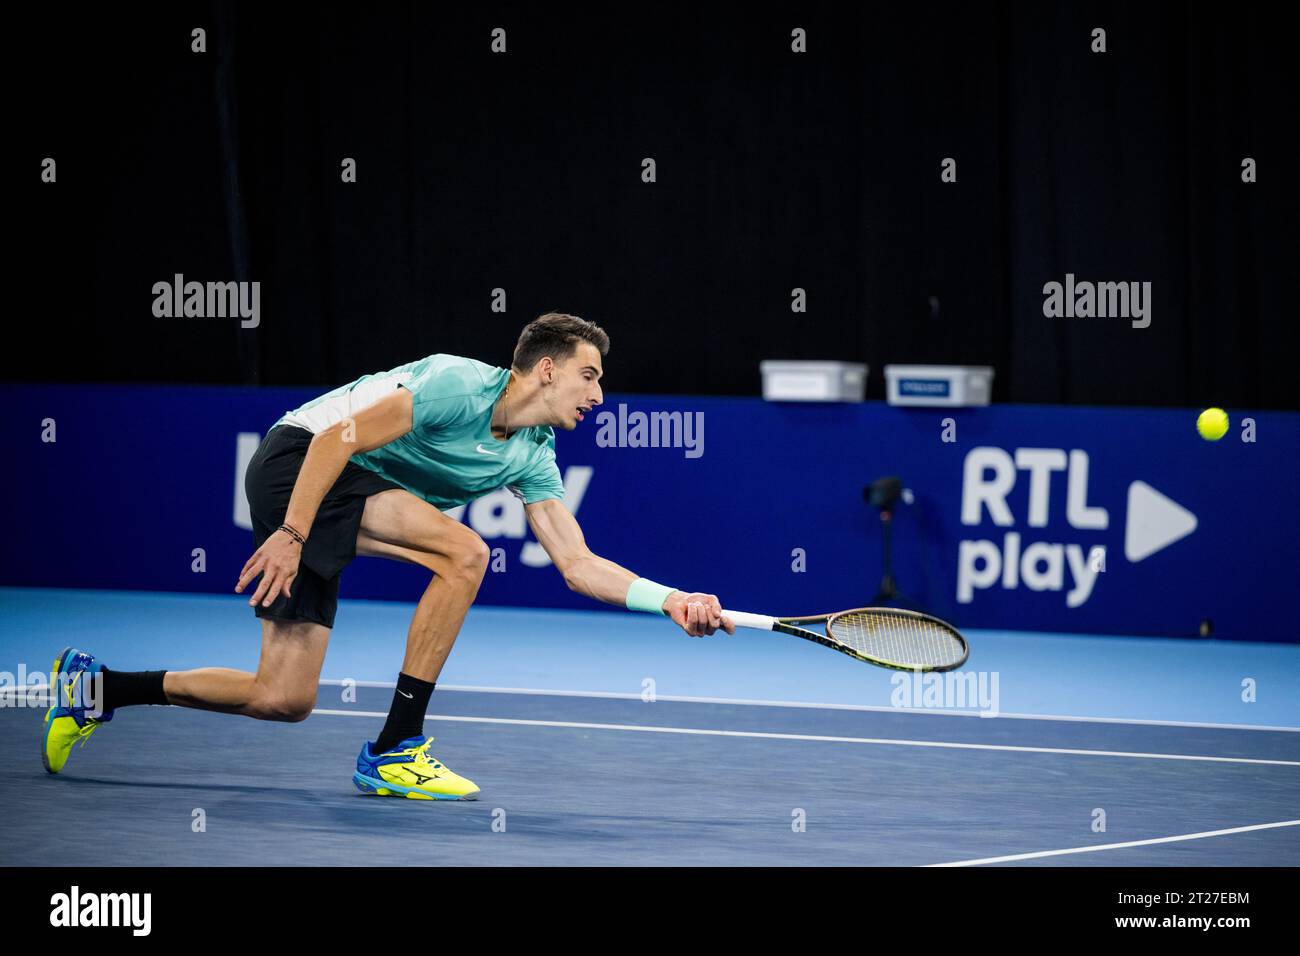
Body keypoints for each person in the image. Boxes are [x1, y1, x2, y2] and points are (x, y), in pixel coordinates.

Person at [42, 312, 734, 799]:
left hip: (342, 493)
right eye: (590, 376)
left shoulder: (534, 455)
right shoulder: (456, 385)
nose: (600, 395)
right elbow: (334, 440)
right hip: (298, 462)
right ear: (546, 369)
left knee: (281, 698)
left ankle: (95, 688)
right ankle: (396, 749)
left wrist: (671, 599)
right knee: (464, 553)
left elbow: (579, 565)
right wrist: (290, 532)